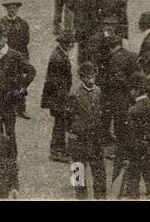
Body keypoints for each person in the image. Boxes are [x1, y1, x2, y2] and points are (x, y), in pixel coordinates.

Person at [0, 30, 36, 137]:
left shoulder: (15, 56)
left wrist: (20, 89)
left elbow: (31, 71)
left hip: (9, 101)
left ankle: (11, 154)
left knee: (10, 132)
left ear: (6, 39)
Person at [66, 61, 107, 199]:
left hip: (95, 139)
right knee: (78, 175)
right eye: (87, 77)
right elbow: (68, 119)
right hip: (79, 140)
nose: (91, 80)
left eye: (93, 77)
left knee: (100, 173)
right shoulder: (74, 94)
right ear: (81, 77)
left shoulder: (98, 91)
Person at [119, 84, 150, 198]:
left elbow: (129, 135)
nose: (130, 93)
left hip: (135, 151)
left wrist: (126, 154)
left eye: (131, 90)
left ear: (136, 90)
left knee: (133, 183)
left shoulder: (133, 110)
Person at [99, 33, 139, 150]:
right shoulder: (132, 55)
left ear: (112, 47)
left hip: (117, 95)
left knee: (118, 121)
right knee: (124, 121)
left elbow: (118, 79)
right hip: (129, 94)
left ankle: (120, 148)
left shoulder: (114, 60)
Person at [42, 33, 74, 161]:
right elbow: (56, 82)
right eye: (70, 44)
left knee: (60, 123)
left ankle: (60, 148)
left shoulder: (59, 54)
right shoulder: (58, 58)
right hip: (58, 97)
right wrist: (64, 97)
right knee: (59, 124)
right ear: (65, 44)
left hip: (57, 96)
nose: (71, 46)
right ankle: (56, 150)